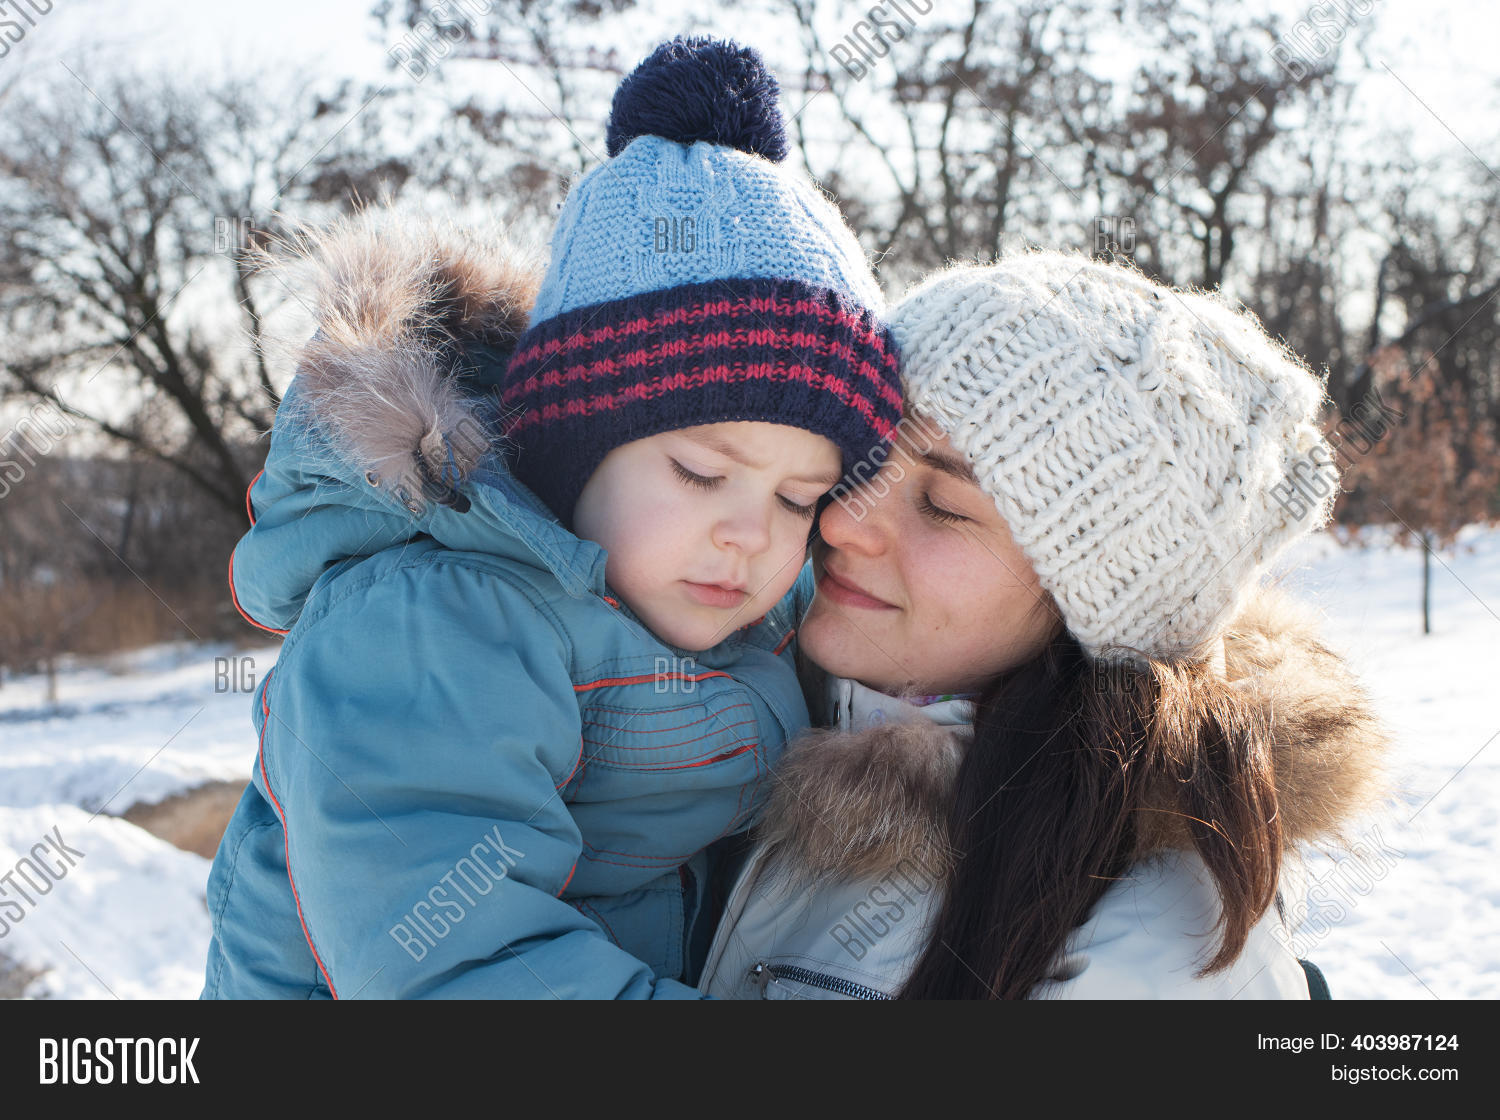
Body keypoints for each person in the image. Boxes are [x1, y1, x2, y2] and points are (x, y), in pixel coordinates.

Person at [201, 36, 902, 999]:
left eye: (797, 498)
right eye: (701, 473)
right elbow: (459, 963)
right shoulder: (430, 624)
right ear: (570, 452)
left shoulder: (732, 601)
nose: (754, 534)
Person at [699, 251, 1391, 999]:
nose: (841, 521)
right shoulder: (712, 696)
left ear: (1094, 605)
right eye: (864, 460)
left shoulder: (1142, 953)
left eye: (941, 506)